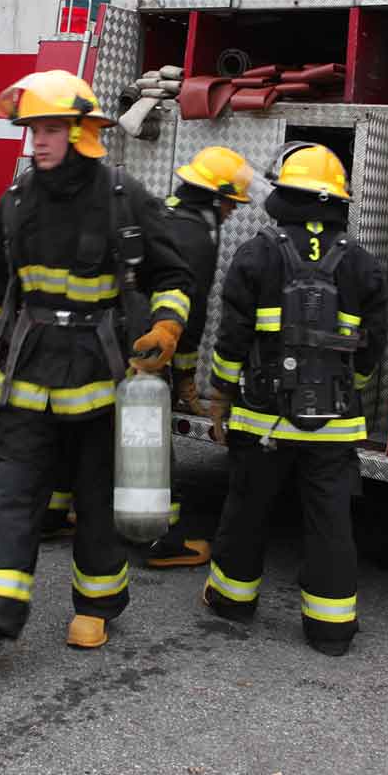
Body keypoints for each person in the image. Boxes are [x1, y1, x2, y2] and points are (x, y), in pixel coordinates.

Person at [0, 70, 191, 666]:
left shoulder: (123, 198)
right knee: (13, 496)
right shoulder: (17, 201)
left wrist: (167, 326)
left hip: (102, 380)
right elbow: (0, 286)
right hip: (29, 377)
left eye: (50, 129)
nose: (37, 141)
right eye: (33, 130)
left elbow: (173, 275)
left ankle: (95, 608)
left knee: (98, 501)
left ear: (82, 134)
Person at [199, 143, 386, 656]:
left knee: (247, 508)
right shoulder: (363, 264)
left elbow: (232, 339)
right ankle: (331, 630)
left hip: (261, 419)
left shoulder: (256, 253)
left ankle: (233, 601)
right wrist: (350, 396)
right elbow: (371, 352)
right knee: (330, 519)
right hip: (335, 422)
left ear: (284, 195)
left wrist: (220, 395)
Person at [146, 145, 254, 570]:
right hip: (153, 355)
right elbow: (189, 321)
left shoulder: (156, 216)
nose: (231, 213)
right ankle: (163, 540)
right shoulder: (196, 240)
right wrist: (186, 380)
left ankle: (63, 509)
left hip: (112, 345)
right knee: (152, 448)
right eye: (230, 203)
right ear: (214, 197)